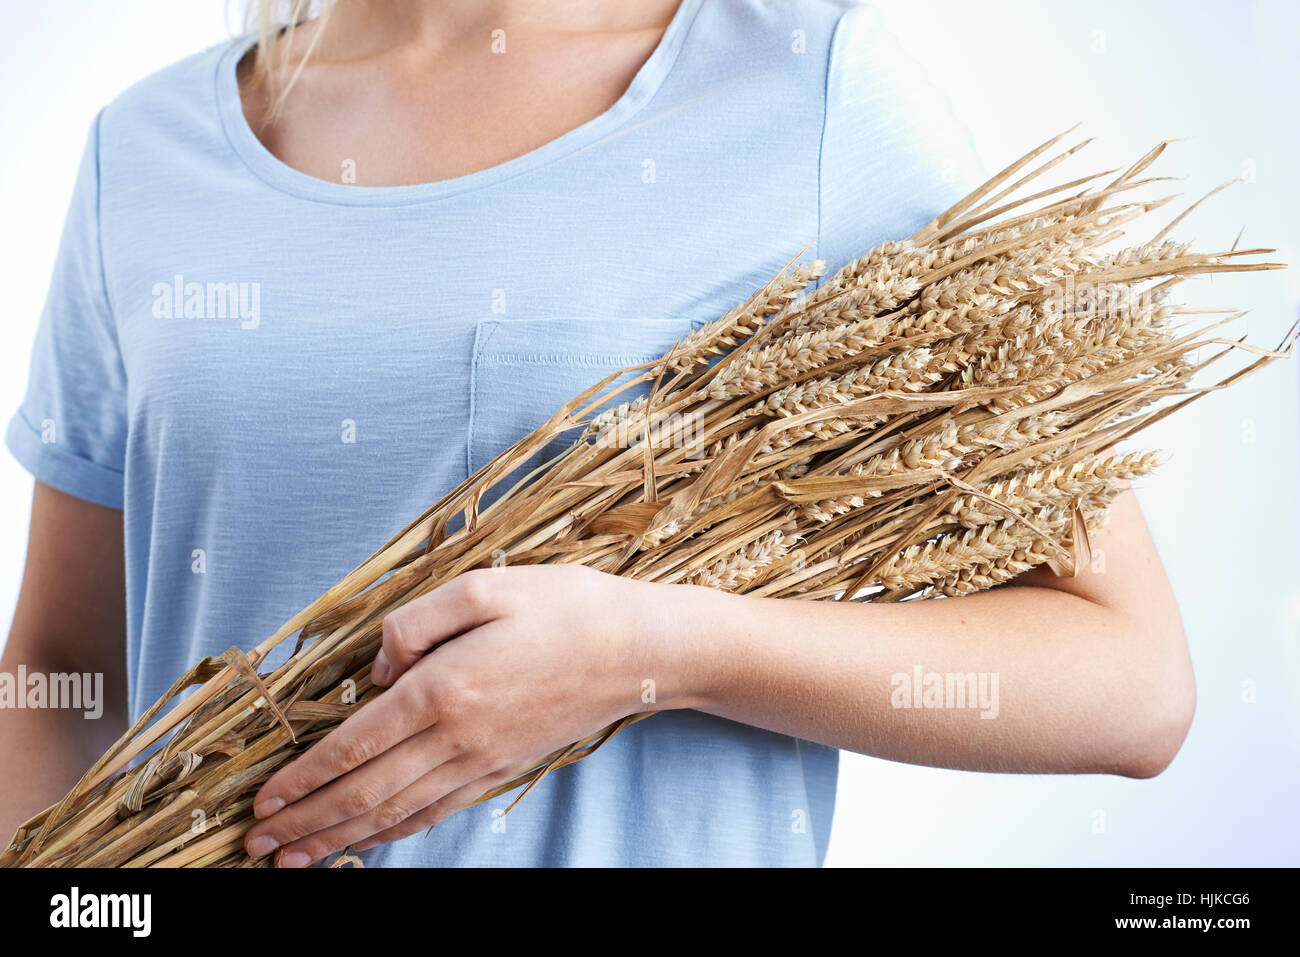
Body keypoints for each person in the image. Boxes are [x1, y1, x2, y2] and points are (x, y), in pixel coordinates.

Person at [0, 0, 1193, 868]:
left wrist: (662, 650)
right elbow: (60, 666)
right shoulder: (143, 150)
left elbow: (1130, 688)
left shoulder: (805, 90)